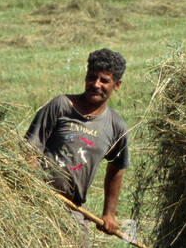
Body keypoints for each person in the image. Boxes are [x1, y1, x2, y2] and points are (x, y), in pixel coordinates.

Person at [25, 48, 129, 236]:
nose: (96, 84)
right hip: (39, 202)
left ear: (117, 85)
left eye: (104, 80)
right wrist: (29, 191)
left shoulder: (115, 126)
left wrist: (109, 213)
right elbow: (31, 150)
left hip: (73, 209)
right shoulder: (61, 106)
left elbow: (116, 168)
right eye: (92, 77)